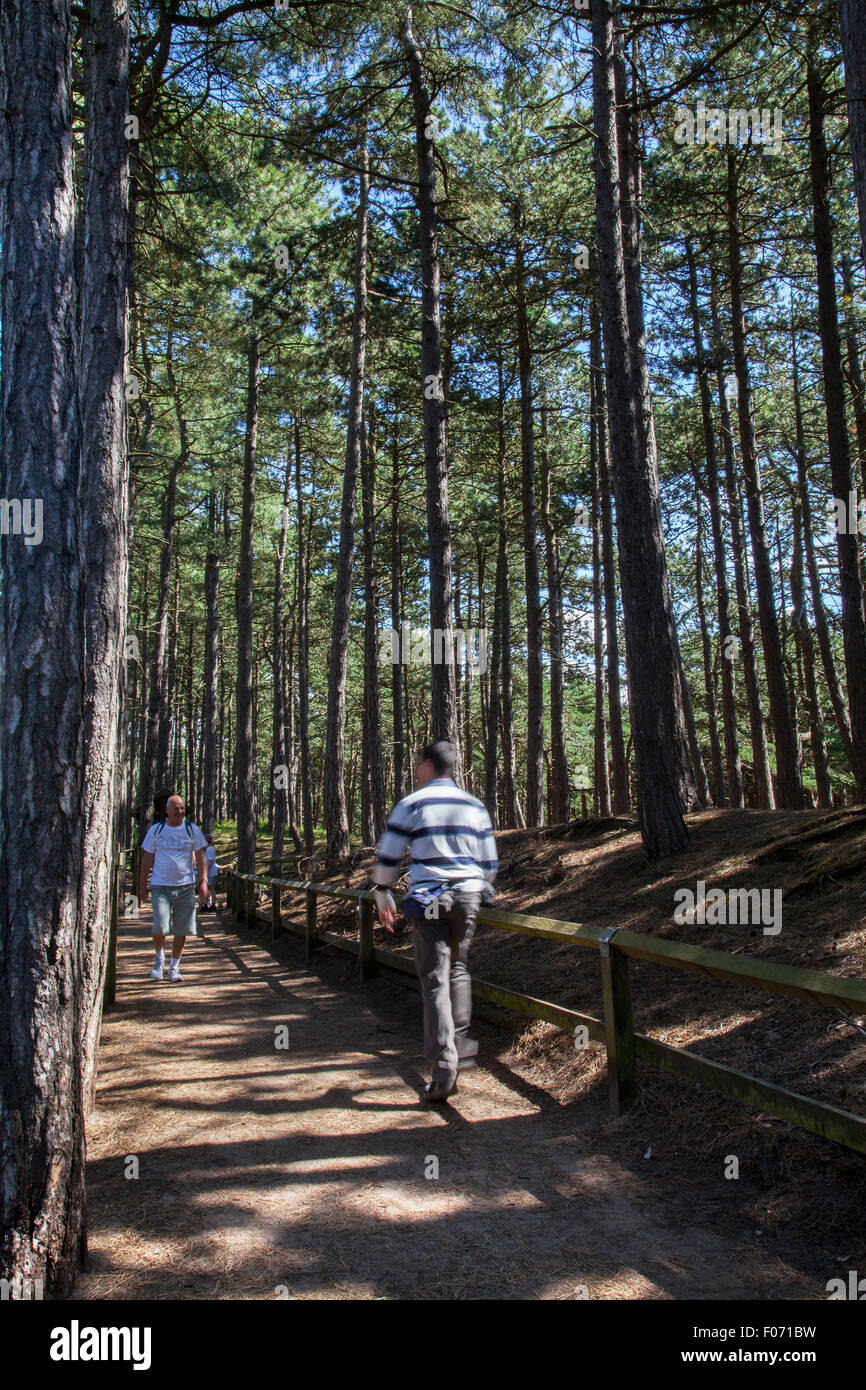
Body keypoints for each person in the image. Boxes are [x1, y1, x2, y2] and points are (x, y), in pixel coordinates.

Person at [372, 740, 497, 1102]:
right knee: (458, 970)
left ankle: (444, 1071)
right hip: (469, 895)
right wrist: (475, 890)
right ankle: (461, 1045)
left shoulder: (412, 803)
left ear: (427, 764)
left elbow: (389, 854)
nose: (415, 768)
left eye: (417, 762)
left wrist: (382, 890)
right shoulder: (474, 805)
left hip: (430, 899)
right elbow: (489, 862)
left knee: (434, 980)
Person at [138, 794, 208, 983]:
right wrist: (142, 884)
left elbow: (200, 856)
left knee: (182, 929)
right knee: (160, 926)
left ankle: (174, 967)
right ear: (166, 810)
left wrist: (203, 881)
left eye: (182, 808)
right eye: (176, 808)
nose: (179, 812)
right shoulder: (157, 830)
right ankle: (159, 958)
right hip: (160, 886)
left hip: (185, 886)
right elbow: (147, 858)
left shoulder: (191, 830)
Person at [203, 833, 225, 910]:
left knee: (210, 889)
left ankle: (210, 905)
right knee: (210, 889)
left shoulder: (209, 850)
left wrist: (206, 871)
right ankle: (209, 904)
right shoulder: (210, 849)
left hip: (210, 873)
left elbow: (211, 862)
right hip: (211, 872)